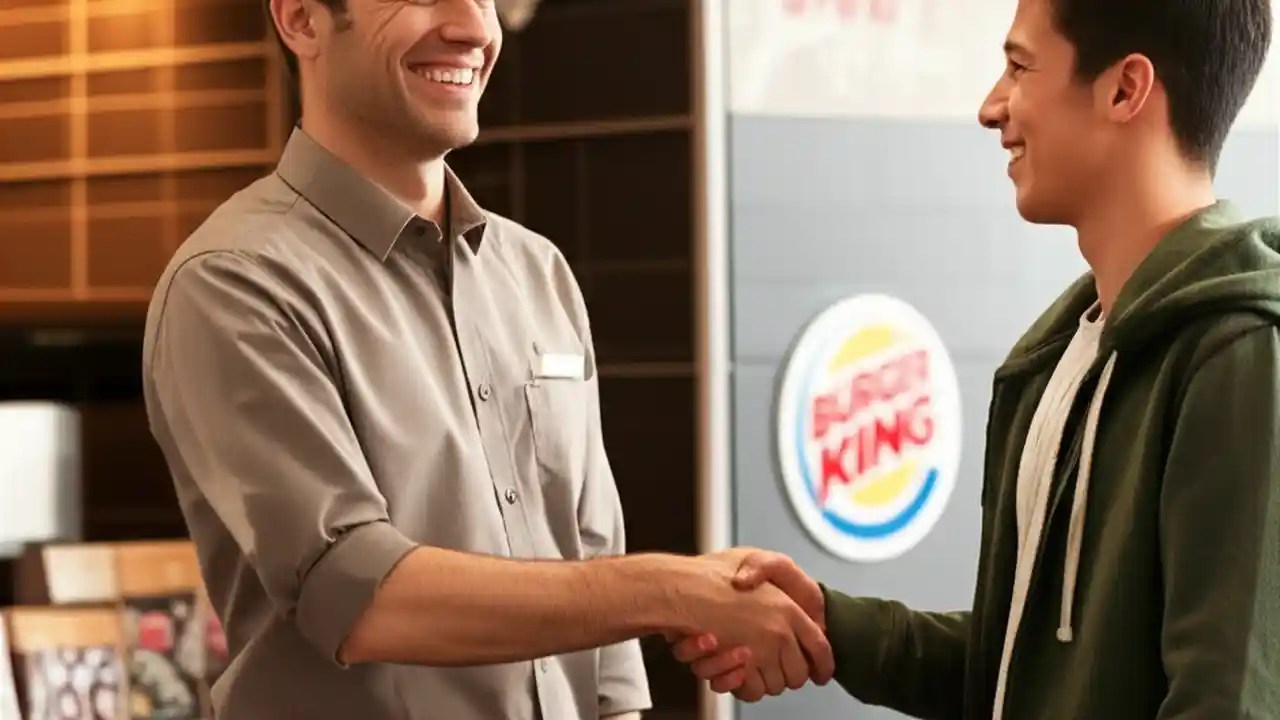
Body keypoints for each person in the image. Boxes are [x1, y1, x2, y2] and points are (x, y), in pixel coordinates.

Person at [140, 0, 834, 718]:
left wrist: (661, 617)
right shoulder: (234, 282)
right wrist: (669, 590)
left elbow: (596, 581)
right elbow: (357, 595)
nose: (475, 27)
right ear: (302, 20)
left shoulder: (537, 273)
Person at [675, 0, 1280, 716]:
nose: (992, 107)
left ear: (1125, 89)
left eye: (1020, 67)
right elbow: (1022, 672)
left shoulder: (1241, 353)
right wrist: (831, 625)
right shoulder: (1061, 353)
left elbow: (1229, 698)